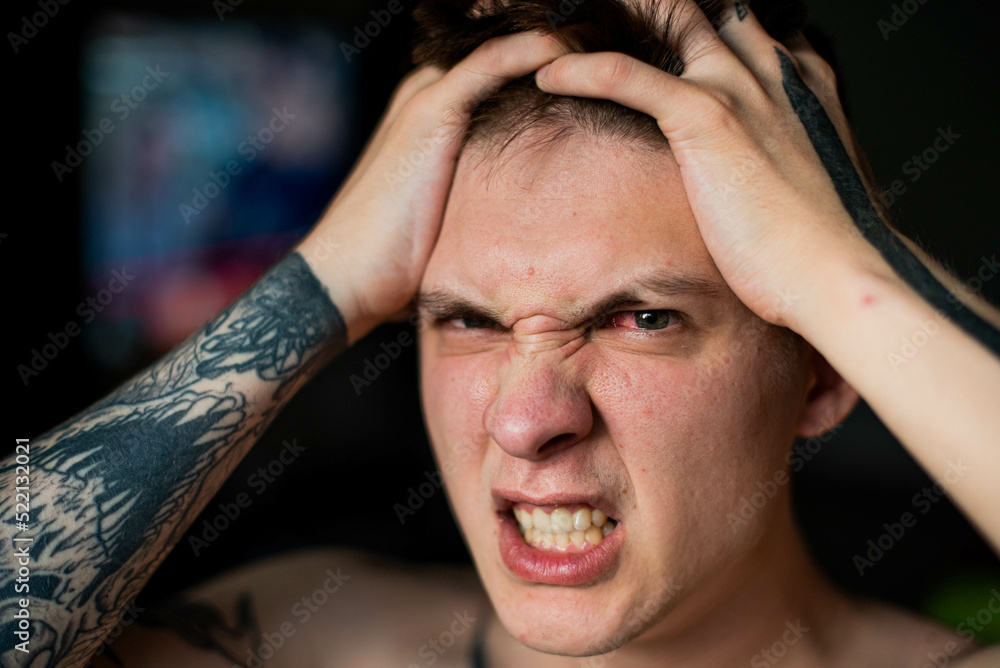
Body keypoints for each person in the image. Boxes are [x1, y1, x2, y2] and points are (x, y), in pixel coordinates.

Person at [2, 0, 999, 665]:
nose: (525, 420)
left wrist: (842, 267)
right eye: (469, 320)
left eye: (640, 317)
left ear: (820, 370)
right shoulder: (318, 641)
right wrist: (328, 276)